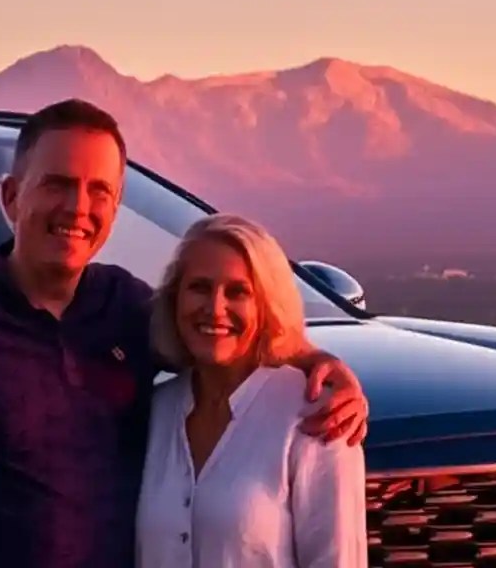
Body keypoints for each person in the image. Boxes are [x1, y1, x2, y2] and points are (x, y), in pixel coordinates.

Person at [0, 99, 369, 568]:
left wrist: (321, 363)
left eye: (99, 191)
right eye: (58, 184)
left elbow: (226, 335)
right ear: (13, 198)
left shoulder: (131, 311)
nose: (78, 207)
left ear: (115, 209)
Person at [136, 214, 367, 568]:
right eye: (199, 287)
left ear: (266, 305)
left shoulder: (317, 418)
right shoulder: (155, 412)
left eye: (238, 291)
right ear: (174, 299)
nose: (214, 309)